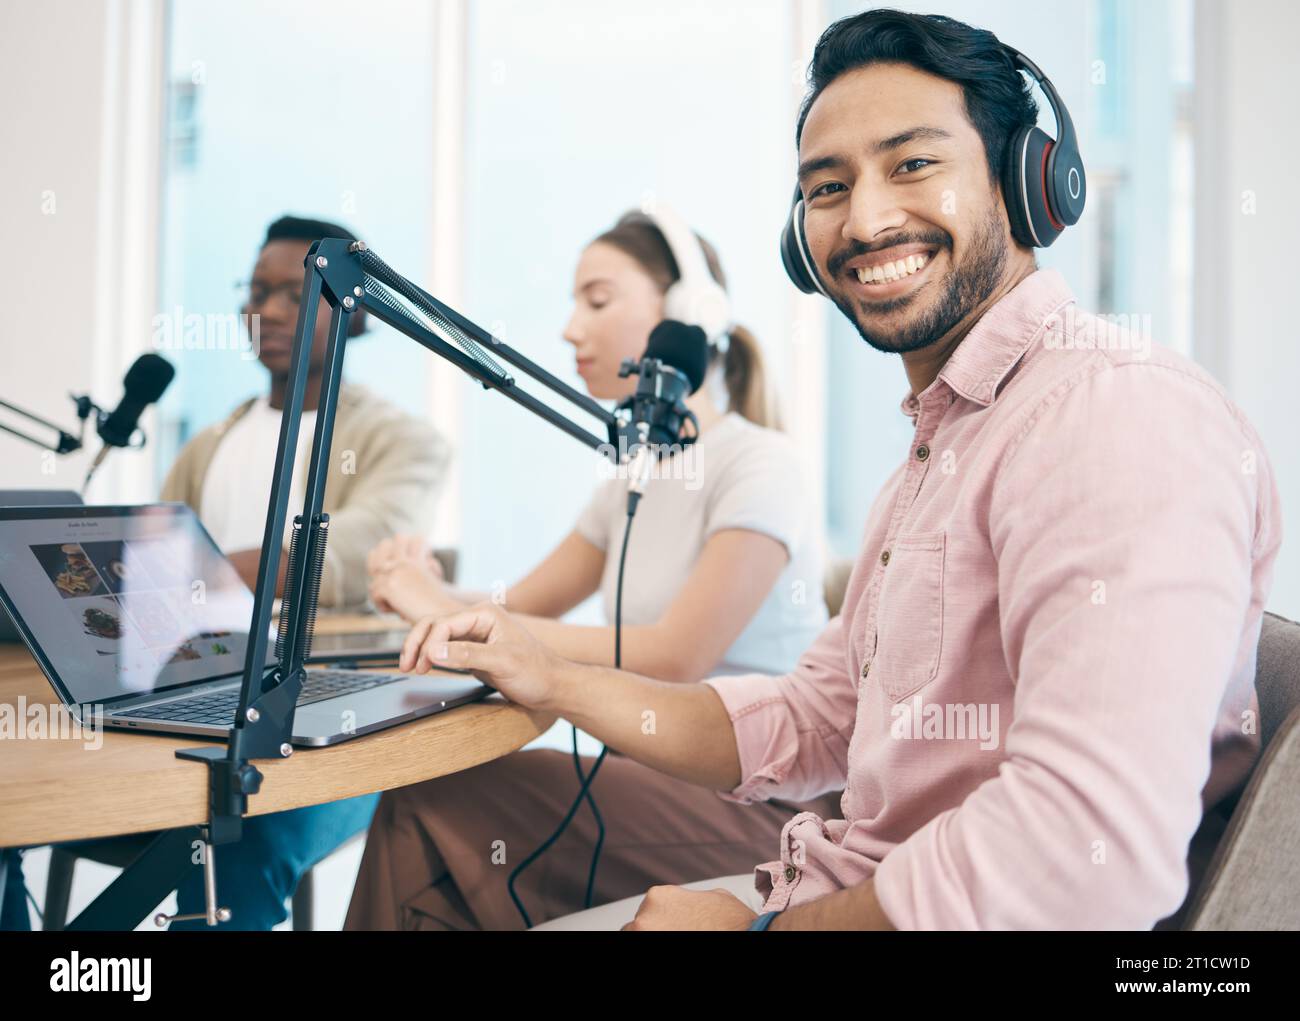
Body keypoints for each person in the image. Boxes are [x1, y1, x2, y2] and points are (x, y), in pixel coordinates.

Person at [385, 10, 1282, 931]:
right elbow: (815, 719)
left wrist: (757, 932)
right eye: (826, 187)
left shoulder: (1114, 418)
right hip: (827, 885)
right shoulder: (940, 453)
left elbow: (1085, 860)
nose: (865, 218)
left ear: (1029, 181)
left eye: (913, 163)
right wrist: (553, 675)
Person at [344, 209, 834, 930]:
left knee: (426, 804)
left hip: (766, 808)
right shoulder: (632, 477)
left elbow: (677, 653)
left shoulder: (760, 464)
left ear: (687, 314)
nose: (572, 329)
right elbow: (514, 604)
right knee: (435, 875)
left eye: (597, 300)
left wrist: (444, 611)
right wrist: (426, 587)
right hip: (653, 777)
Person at [157, 214, 450, 929]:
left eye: (296, 292)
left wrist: (217, 575)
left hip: (329, 717)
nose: (269, 309)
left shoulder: (402, 439)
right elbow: (152, 564)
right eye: (257, 291)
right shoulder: (209, 443)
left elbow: (364, 547)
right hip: (194, 698)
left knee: (240, 839)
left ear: (351, 311)